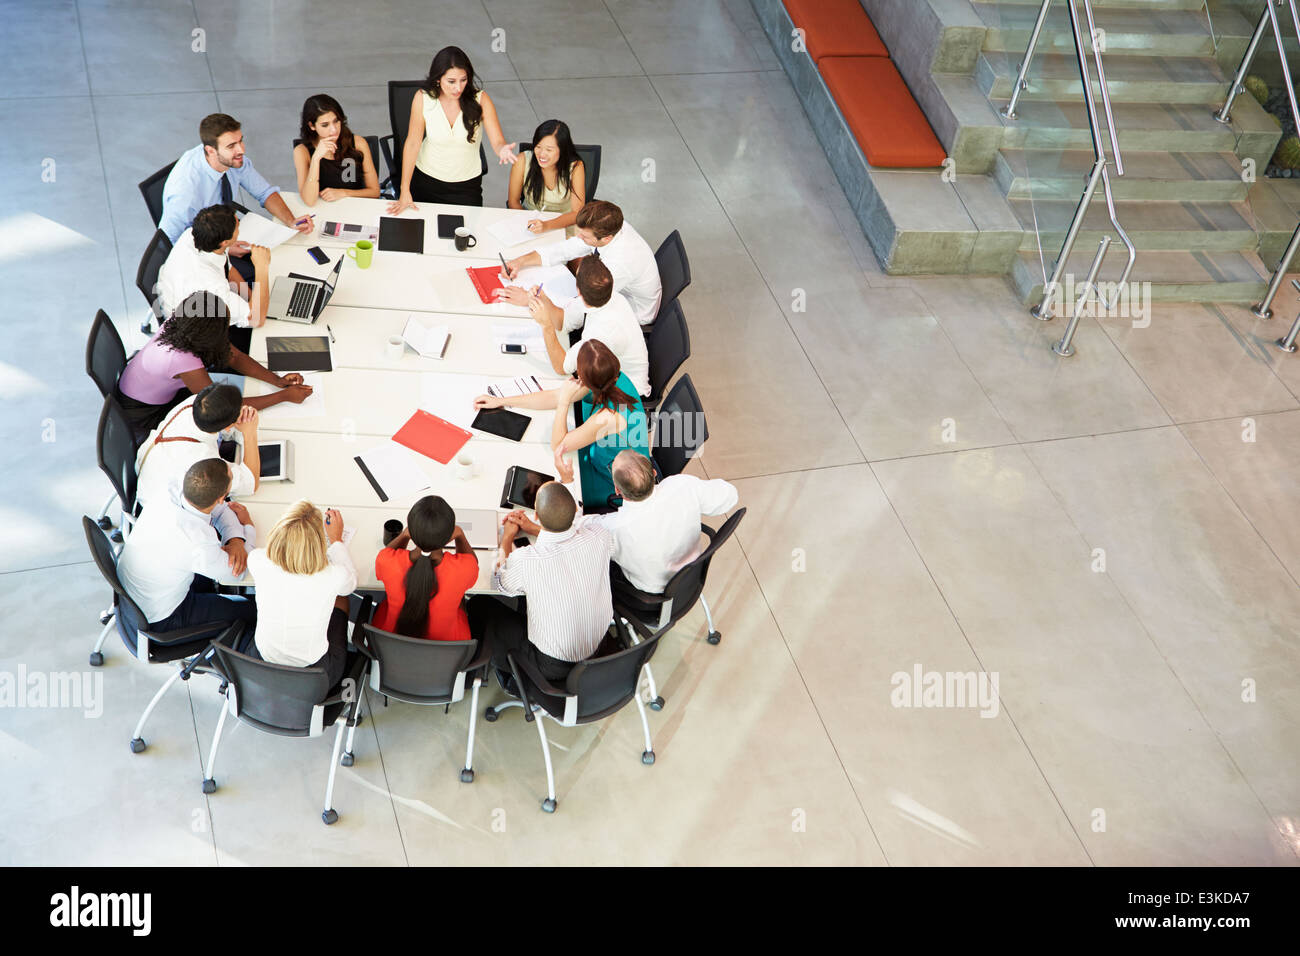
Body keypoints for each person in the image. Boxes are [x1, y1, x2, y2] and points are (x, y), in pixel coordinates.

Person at [474, 340, 649, 513]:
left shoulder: (609, 417)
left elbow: (558, 446)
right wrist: (501, 401)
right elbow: (554, 397)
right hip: (600, 456)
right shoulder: (610, 376)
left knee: (547, 494)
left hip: (612, 482)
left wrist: (565, 402)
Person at [468, 482, 614, 684]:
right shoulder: (600, 537)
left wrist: (507, 538)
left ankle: (511, 680)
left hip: (552, 666)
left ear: (535, 514)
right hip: (599, 649)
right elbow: (567, 538)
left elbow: (499, 581)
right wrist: (535, 529)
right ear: (574, 511)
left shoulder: (528, 560)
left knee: (479, 604)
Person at [114, 292, 313, 440]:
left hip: (148, 389)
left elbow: (234, 357)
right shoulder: (183, 360)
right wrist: (283, 397)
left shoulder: (185, 322)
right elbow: (219, 408)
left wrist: (276, 380)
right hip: (144, 413)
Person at [115, 457, 258, 636]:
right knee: (255, 609)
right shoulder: (198, 543)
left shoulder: (170, 490)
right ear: (222, 497)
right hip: (163, 619)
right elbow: (239, 573)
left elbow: (221, 510)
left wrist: (236, 540)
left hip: (144, 592)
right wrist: (248, 528)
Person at [387, 46, 517, 211]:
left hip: (467, 187)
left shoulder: (481, 100)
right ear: (438, 79)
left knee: (466, 233)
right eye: (451, 81)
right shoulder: (423, 98)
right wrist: (404, 190)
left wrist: (502, 149)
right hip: (426, 182)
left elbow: (498, 141)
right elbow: (413, 143)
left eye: (463, 80)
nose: (458, 88)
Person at [592, 451, 739, 595]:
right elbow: (731, 495)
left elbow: (578, 529)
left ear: (617, 490)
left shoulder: (614, 528)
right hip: (691, 575)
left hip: (650, 590)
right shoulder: (682, 485)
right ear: (654, 473)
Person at [246, 501, 357, 688]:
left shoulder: (257, 559)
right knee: (341, 599)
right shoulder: (333, 575)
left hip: (261, 662)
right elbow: (350, 585)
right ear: (318, 544)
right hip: (315, 673)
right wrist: (337, 541)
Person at [503, 255, 649, 397]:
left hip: (627, 395)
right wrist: (544, 300)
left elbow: (561, 367)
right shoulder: (605, 295)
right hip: (611, 375)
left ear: (578, 291)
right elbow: (563, 322)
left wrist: (546, 326)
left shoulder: (601, 333)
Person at [160, 112, 312, 246]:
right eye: (232, 146)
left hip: (227, 231)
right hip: (203, 249)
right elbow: (173, 242)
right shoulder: (185, 191)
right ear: (210, 151)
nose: (241, 150)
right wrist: (225, 249)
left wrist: (291, 221)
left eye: (240, 141)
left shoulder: (233, 160)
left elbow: (264, 192)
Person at [503, 200, 661, 326]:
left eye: (585, 237)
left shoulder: (619, 264)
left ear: (606, 239)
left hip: (631, 311)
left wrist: (531, 299)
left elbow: (582, 307)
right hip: (612, 291)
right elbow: (568, 248)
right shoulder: (609, 227)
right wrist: (520, 261)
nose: (579, 237)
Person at [135, 383, 260, 509]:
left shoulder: (196, 403)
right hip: (160, 506)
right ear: (227, 426)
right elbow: (251, 483)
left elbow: (223, 430)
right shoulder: (204, 460)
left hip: (151, 468)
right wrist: (249, 434)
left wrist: (236, 423)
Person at [372, 496, 479, 641]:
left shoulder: (387, 562)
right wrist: (460, 534)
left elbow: (386, 553)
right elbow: (472, 562)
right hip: (446, 650)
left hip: (390, 643)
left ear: (411, 530)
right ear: (448, 536)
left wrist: (404, 535)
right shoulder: (464, 569)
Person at [157, 204, 269, 330]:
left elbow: (228, 270)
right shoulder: (213, 288)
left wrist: (252, 297)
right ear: (224, 242)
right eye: (237, 227)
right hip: (191, 328)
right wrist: (261, 268)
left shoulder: (194, 234)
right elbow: (255, 319)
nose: (239, 227)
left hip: (178, 293)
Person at [293, 94, 381, 204]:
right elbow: (309, 201)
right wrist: (316, 159)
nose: (334, 130)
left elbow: (375, 192)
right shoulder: (302, 152)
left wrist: (344, 193)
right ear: (312, 126)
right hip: (324, 211)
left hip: (355, 207)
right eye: (325, 125)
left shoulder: (358, 143)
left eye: (336, 121)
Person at [506, 119, 585, 235]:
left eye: (549, 150)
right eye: (538, 147)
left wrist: (547, 226)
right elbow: (513, 202)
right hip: (529, 222)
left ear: (562, 150)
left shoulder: (575, 167)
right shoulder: (522, 160)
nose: (542, 154)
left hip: (564, 225)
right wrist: (530, 225)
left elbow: (577, 212)